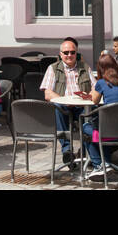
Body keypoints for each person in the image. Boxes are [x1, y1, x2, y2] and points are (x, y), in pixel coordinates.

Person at [41, 37, 97, 166]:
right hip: (63, 105)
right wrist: (63, 100)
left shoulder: (85, 67)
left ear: (76, 53)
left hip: (81, 105)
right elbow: (47, 93)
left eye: (72, 52)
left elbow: (95, 88)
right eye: (66, 53)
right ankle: (67, 150)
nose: (69, 55)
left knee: (91, 114)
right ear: (60, 54)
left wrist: (88, 97)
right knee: (56, 107)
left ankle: (84, 150)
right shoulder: (53, 68)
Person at [82, 53, 118, 178]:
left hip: (109, 133)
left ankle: (100, 165)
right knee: (101, 126)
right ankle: (107, 162)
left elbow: (95, 101)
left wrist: (94, 89)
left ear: (100, 69)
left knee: (86, 127)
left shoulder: (101, 82)